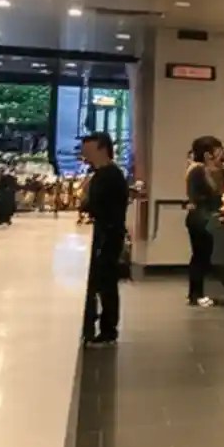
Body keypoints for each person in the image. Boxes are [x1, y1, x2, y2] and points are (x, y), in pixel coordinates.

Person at [80, 132, 129, 346]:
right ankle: (103, 326)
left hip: (109, 235)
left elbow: (97, 205)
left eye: (88, 149)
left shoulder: (109, 176)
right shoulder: (104, 174)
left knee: (106, 281)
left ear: (101, 148)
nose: (84, 154)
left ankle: (108, 329)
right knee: (104, 281)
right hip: (108, 233)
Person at [186, 136, 224, 308]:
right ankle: (197, 294)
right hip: (200, 218)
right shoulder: (199, 170)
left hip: (199, 216)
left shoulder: (199, 169)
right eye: (218, 150)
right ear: (208, 153)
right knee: (200, 256)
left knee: (200, 255)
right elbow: (213, 193)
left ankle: (196, 293)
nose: (222, 153)